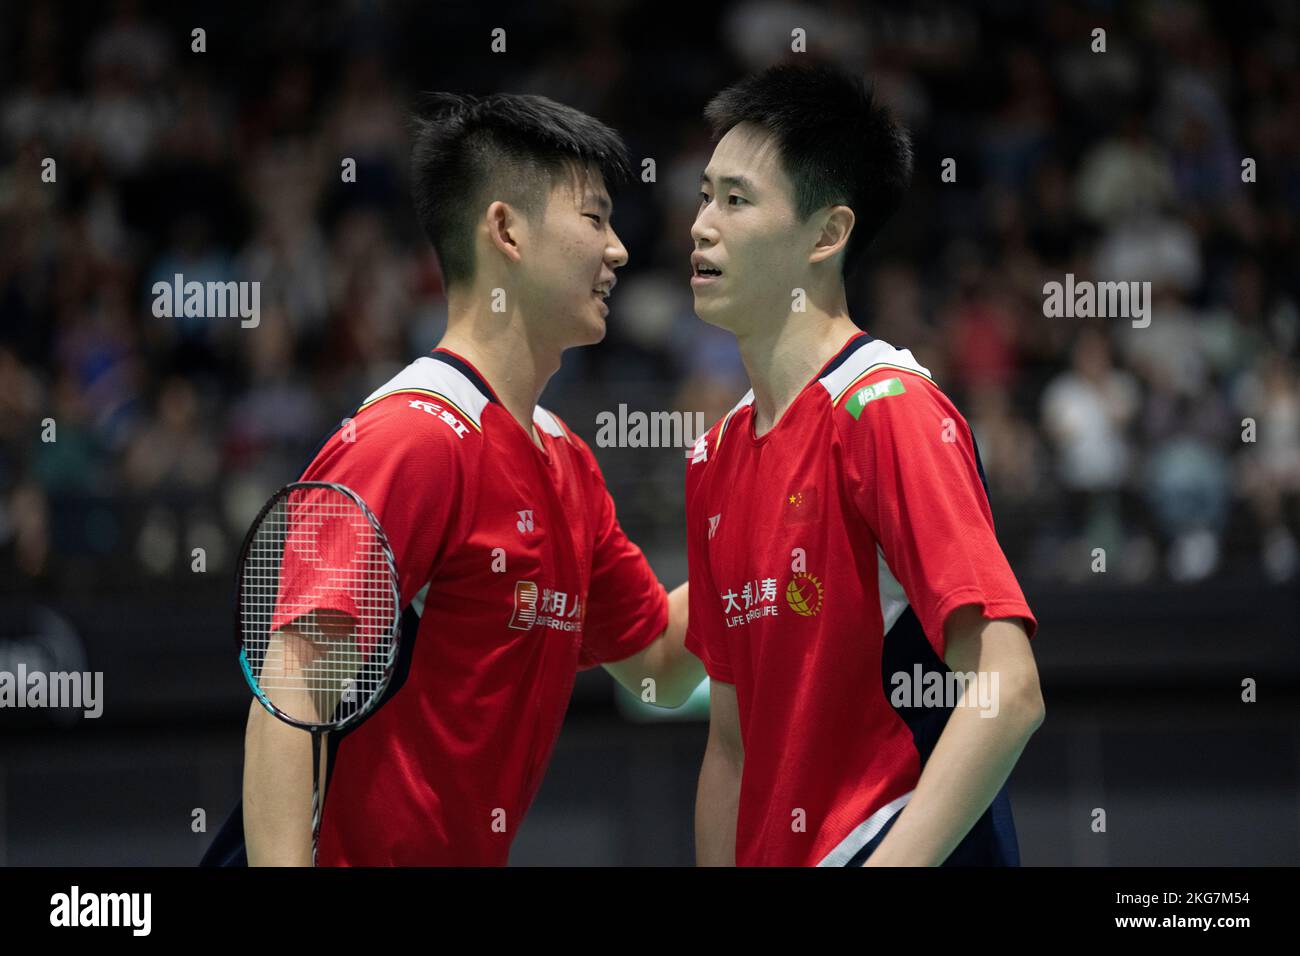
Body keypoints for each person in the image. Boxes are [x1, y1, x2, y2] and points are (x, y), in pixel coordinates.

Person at [203, 92, 703, 866]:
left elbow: (661, 667)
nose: (619, 251)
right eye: (593, 218)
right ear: (505, 230)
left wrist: (777, 522)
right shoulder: (413, 439)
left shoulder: (568, 466)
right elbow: (292, 692)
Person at [684, 64, 1043, 867]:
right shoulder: (713, 457)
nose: (702, 224)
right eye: (705, 194)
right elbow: (731, 749)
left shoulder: (887, 411)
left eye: (736, 200)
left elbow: (1008, 689)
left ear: (825, 234)